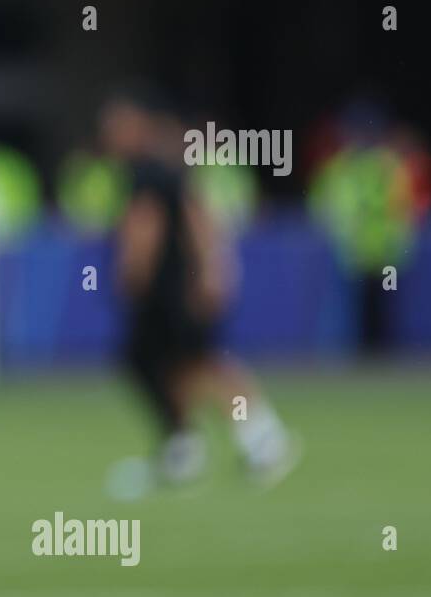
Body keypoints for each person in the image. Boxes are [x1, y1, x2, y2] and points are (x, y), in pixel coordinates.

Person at [100, 88, 299, 496]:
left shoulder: (149, 172)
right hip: (174, 289)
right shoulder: (166, 168)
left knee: (198, 363)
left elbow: (154, 229)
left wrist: (202, 271)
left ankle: (261, 437)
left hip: (171, 291)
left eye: (118, 125)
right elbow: (198, 216)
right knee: (165, 365)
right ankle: (185, 447)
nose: (111, 135)